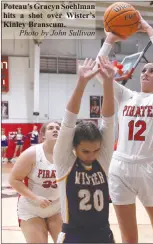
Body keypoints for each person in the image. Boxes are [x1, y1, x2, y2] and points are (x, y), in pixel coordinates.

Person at [95, 14, 153, 243]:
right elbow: (101, 73)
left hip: (146, 168)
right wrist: (109, 40)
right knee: (128, 237)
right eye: (143, 70)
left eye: (152, 71)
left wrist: (150, 30)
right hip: (119, 165)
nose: (146, 73)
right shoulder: (125, 95)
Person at [54, 57, 115, 243]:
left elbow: (109, 120)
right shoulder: (64, 162)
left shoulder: (102, 160)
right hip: (73, 235)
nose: (91, 156)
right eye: (86, 152)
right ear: (74, 148)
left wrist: (108, 83)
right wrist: (81, 83)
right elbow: (68, 122)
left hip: (103, 233)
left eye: (96, 150)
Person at [9, 122, 62, 243]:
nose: (55, 130)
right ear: (43, 135)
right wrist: (36, 198)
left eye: (58, 128)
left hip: (57, 208)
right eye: (51, 128)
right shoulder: (31, 153)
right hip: (32, 208)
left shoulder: (67, 155)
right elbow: (13, 180)